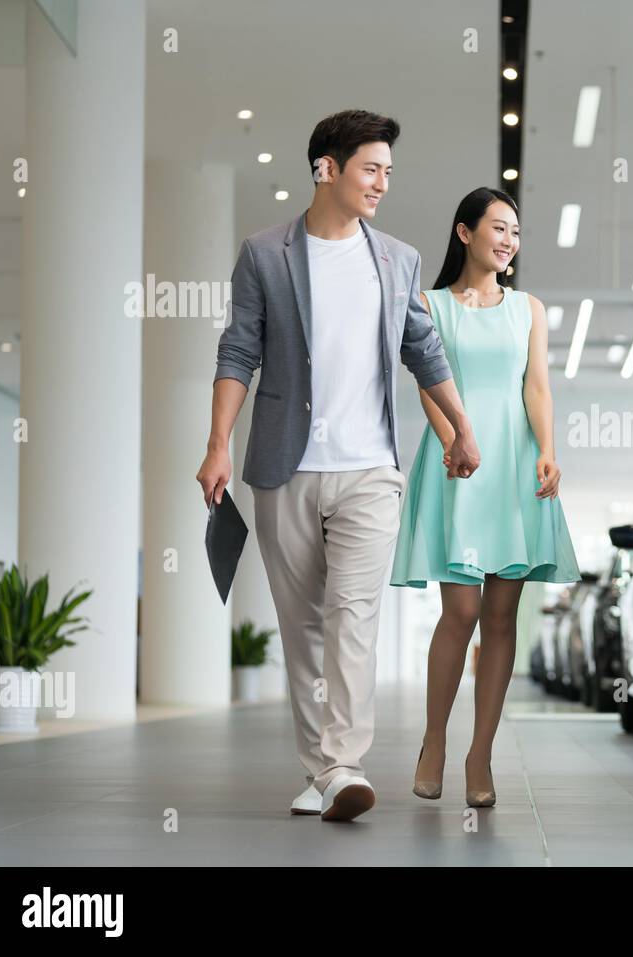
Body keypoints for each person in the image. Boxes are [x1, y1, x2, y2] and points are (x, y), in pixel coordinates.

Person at [195, 109, 480, 823]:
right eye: (370, 168)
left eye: (388, 170)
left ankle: (345, 764)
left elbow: (425, 351)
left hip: (370, 470)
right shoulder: (264, 254)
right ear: (327, 167)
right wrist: (218, 441)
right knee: (303, 627)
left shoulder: (397, 259)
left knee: (353, 616)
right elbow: (239, 352)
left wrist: (461, 426)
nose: (382, 182)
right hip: (285, 469)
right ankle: (321, 770)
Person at [391, 187, 581, 808]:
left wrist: (548, 447)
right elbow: (428, 383)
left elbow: (538, 388)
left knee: (502, 617)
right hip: (458, 463)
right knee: (462, 612)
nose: (508, 241)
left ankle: (481, 755)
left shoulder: (529, 309)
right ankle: (435, 740)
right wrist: (454, 441)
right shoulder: (430, 305)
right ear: (465, 232)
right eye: (498, 228)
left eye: (517, 233)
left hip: (517, 465)